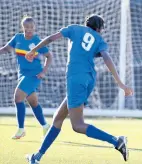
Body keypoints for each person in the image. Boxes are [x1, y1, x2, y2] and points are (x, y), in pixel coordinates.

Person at [25, 14, 133, 164]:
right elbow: (106, 57)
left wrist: (33, 50)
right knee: (58, 118)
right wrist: (120, 83)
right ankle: (37, 157)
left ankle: (117, 142)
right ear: (99, 29)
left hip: (75, 79)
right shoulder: (98, 39)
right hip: (89, 80)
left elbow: (51, 38)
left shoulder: (74, 29)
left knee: (77, 125)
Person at [0, 16, 52, 139]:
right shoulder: (17, 38)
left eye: (31, 27)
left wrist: (44, 72)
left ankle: (21, 129)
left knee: (18, 97)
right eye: (26, 27)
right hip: (22, 74)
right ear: (22, 27)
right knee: (33, 102)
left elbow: (49, 57)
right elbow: (7, 48)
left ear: (34, 28)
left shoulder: (37, 40)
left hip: (34, 74)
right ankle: (45, 126)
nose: (29, 30)